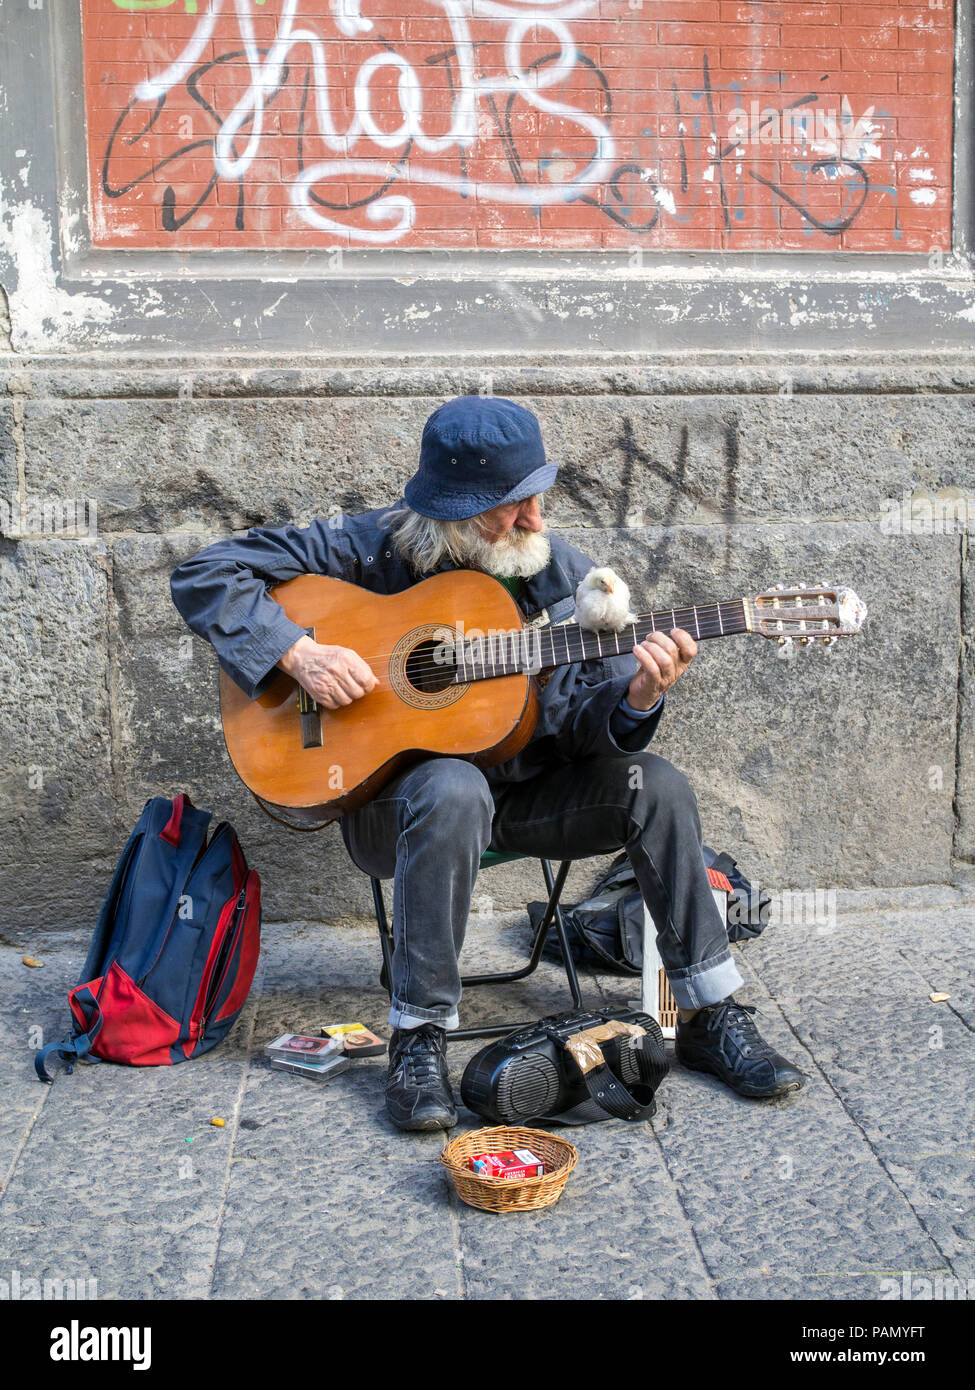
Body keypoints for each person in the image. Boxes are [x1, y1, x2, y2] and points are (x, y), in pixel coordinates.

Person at [170, 395, 805, 1131]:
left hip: (532, 802)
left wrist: (635, 697)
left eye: (535, 496)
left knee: (654, 784)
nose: (533, 520)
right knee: (450, 784)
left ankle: (707, 1013)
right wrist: (298, 653)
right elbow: (204, 573)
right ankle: (418, 1035)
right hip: (398, 814)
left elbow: (586, 742)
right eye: (507, 508)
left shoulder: (566, 582)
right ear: (444, 510)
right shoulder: (366, 549)